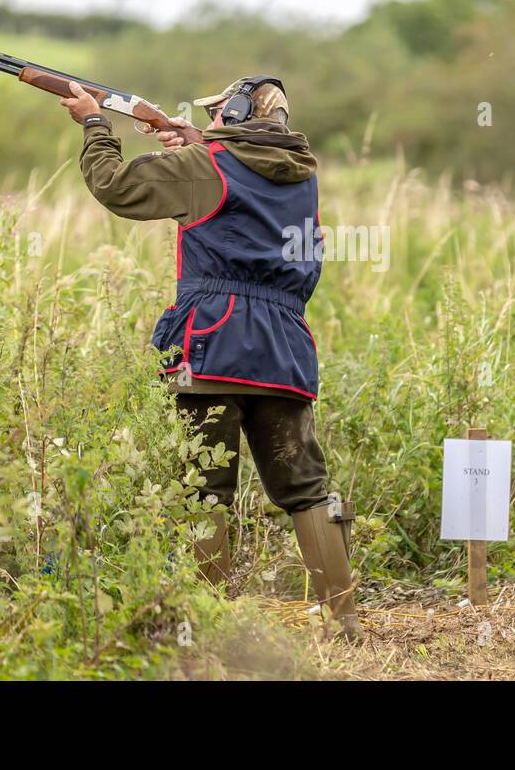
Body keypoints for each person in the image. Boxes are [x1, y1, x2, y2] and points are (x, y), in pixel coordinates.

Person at [56, 75, 362, 640]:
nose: (213, 121)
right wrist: (199, 142)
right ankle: (344, 625)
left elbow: (117, 188)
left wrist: (95, 124)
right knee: (306, 488)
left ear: (241, 113)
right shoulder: (301, 176)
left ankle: (210, 630)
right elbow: (245, 184)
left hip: (212, 345)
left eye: (219, 113)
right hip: (284, 352)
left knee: (203, 488)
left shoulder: (207, 167)